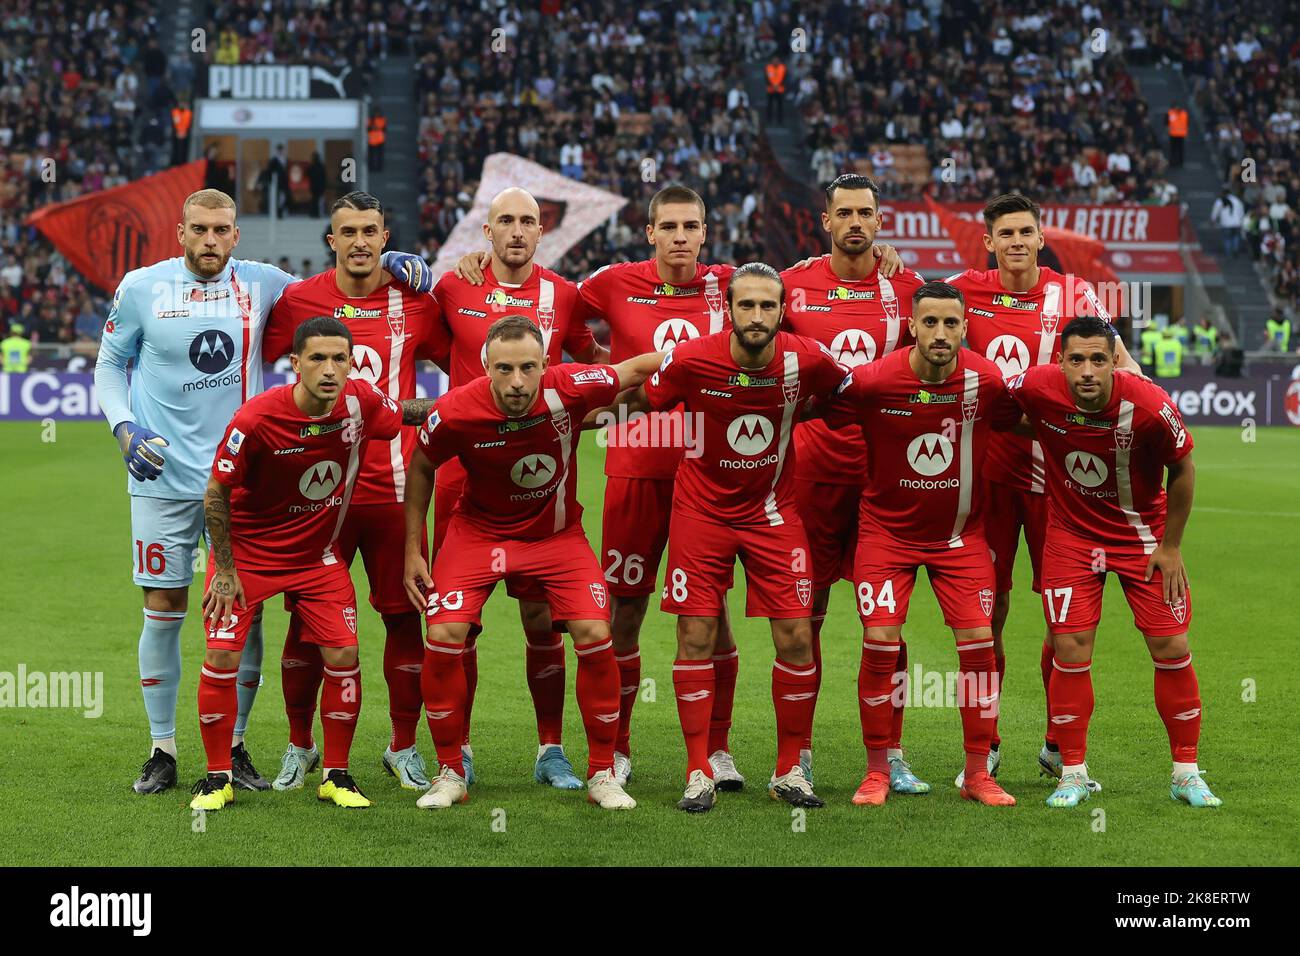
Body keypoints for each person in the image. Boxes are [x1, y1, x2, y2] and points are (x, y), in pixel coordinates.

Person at [449, 184, 905, 790]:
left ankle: (718, 751)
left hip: (715, 476)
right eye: (670, 227)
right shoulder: (612, 282)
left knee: (710, 619)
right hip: (636, 469)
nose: (681, 237)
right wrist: (483, 268)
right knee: (624, 611)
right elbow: (554, 312)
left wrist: (876, 255)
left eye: (692, 227)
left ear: (705, 233)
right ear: (651, 233)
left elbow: (803, 286)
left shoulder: (730, 286)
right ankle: (617, 750)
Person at [386, 187, 609, 790]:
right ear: (485, 232)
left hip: (539, 481)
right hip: (462, 480)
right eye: (504, 220)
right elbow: (413, 339)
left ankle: (551, 749)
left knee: (542, 618)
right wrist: (395, 261)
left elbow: (591, 363)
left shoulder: (563, 295)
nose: (515, 230)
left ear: (541, 232)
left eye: (527, 221)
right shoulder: (452, 288)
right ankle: (458, 752)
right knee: (458, 625)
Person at [402, 316, 661, 810]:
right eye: (505, 369)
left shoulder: (573, 385)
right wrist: (413, 550)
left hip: (554, 536)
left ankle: (602, 775)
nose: (517, 381)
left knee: (595, 632)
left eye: (527, 368)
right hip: (477, 535)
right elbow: (421, 465)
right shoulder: (455, 411)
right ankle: (451, 771)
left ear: (546, 364)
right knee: (444, 635)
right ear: (486, 367)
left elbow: (635, 368)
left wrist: (708, 359)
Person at [94, 189, 296, 795]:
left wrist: (390, 262)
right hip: (160, 478)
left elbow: (336, 293)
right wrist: (124, 427)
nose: (211, 240)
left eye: (222, 230)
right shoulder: (141, 288)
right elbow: (109, 365)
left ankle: (234, 746)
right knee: (163, 608)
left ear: (236, 235)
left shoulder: (263, 283)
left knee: (245, 614)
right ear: (180, 231)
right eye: (200, 229)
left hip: (241, 483)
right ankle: (162, 749)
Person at [633, 262, 848, 812]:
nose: (756, 316)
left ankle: (789, 770)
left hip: (773, 513)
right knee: (696, 635)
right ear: (728, 309)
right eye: (746, 305)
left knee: (797, 637)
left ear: (782, 311)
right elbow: (645, 399)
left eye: (767, 306)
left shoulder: (808, 358)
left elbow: (845, 396)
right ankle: (698, 771)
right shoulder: (691, 359)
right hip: (700, 513)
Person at [946, 193, 1141, 787]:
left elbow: (1124, 367)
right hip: (988, 480)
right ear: (989, 242)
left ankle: (1059, 743)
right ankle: (985, 744)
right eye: (1005, 233)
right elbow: (908, 300)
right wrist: (884, 258)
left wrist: (1140, 412)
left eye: (1025, 232)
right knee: (989, 614)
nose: (1016, 242)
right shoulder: (963, 290)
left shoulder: (1073, 293)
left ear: (1040, 238)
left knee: (1064, 621)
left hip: (1061, 485)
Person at [196, 316, 430, 810]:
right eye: (317, 358)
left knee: (343, 654)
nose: (329, 369)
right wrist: (225, 570)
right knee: (221, 657)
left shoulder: (361, 403)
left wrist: (483, 397)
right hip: (249, 558)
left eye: (339, 359)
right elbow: (216, 492)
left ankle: (336, 776)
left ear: (351, 363)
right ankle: (217, 778)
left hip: (315, 558)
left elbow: (407, 412)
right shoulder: (255, 419)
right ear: (295, 363)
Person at [261, 192, 451, 793]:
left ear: (385, 237)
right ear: (332, 240)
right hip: (317, 496)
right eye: (349, 232)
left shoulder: (416, 301)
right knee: (306, 627)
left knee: (404, 620)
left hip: (394, 491)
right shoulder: (300, 299)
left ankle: (402, 746)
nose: (360, 241)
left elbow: (466, 364)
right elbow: (253, 360)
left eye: (371, 230)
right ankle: (300, 746)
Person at [823, 280, 1024, 807]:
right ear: (911, 326)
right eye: (929, 322)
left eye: (950, 323)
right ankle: (877, 770)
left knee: (979, 644)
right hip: (885, 536)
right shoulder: (872, 381)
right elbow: (816, 411)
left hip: (960, 538)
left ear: (965, 328)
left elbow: (1024, 418)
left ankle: (978, 774)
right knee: (880, 642)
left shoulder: (986, 380)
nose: (940, 333)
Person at [1007, 316, 1220, 809]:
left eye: (1098, 359)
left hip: (1143, 539)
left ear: (1114, 362)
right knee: (1070, 647)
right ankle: (1072, 773)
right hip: (1071, 538)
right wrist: (1043, 428)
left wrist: (1171, 547)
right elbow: (997, 408)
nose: (1087, 370)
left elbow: (1183, 468)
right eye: (1077, 359)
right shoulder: (1035, 386)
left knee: (1171, 645)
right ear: (1060, 362)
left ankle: (1186, 773)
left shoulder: (1149, 405)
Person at [780, 172, 930, 793]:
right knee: (804, 617)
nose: (855, 223)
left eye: (865, 213)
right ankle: (798, 754)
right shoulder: (791, 286)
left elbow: (950, 339)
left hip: (884, 478)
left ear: (879, 220)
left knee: (886, 626)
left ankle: (891, 753)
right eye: (844, 213)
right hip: (811, 474)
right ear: (826, 221)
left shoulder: (908, 288)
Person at [1210, 189, 1245, 257]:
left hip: (1226, 223)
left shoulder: (1220, 201)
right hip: (1236, 223)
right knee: (1235, 237)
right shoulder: (1236, 200)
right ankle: (1235, 249)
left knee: (1227, 238)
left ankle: (1228, 252)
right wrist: (1241, 221)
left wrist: (1213, 219)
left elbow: (1215, 211)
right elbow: (1241, 211)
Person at [765, 55, 787, 125]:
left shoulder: (783, 67)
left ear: (779, 61)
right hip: (770, 89)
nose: (775, 62)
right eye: (774, 60)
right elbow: (766, 78)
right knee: (770, 105)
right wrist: (773, 85)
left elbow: (785, 78)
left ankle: (780, 120)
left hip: (780, 89)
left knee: (780, 106)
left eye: (776, 60)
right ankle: (769, 120)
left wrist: (778, 85)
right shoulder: (768, 67)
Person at [1167, 102, 1188, 168]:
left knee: (1180, 149)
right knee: (1173, 149)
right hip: (1173, 134)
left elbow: (1187, 123)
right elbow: (1167, 123)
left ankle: (1180, 162)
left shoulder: (1184, 114)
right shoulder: (1170, 113)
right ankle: (1173, 162)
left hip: (1181, 134)